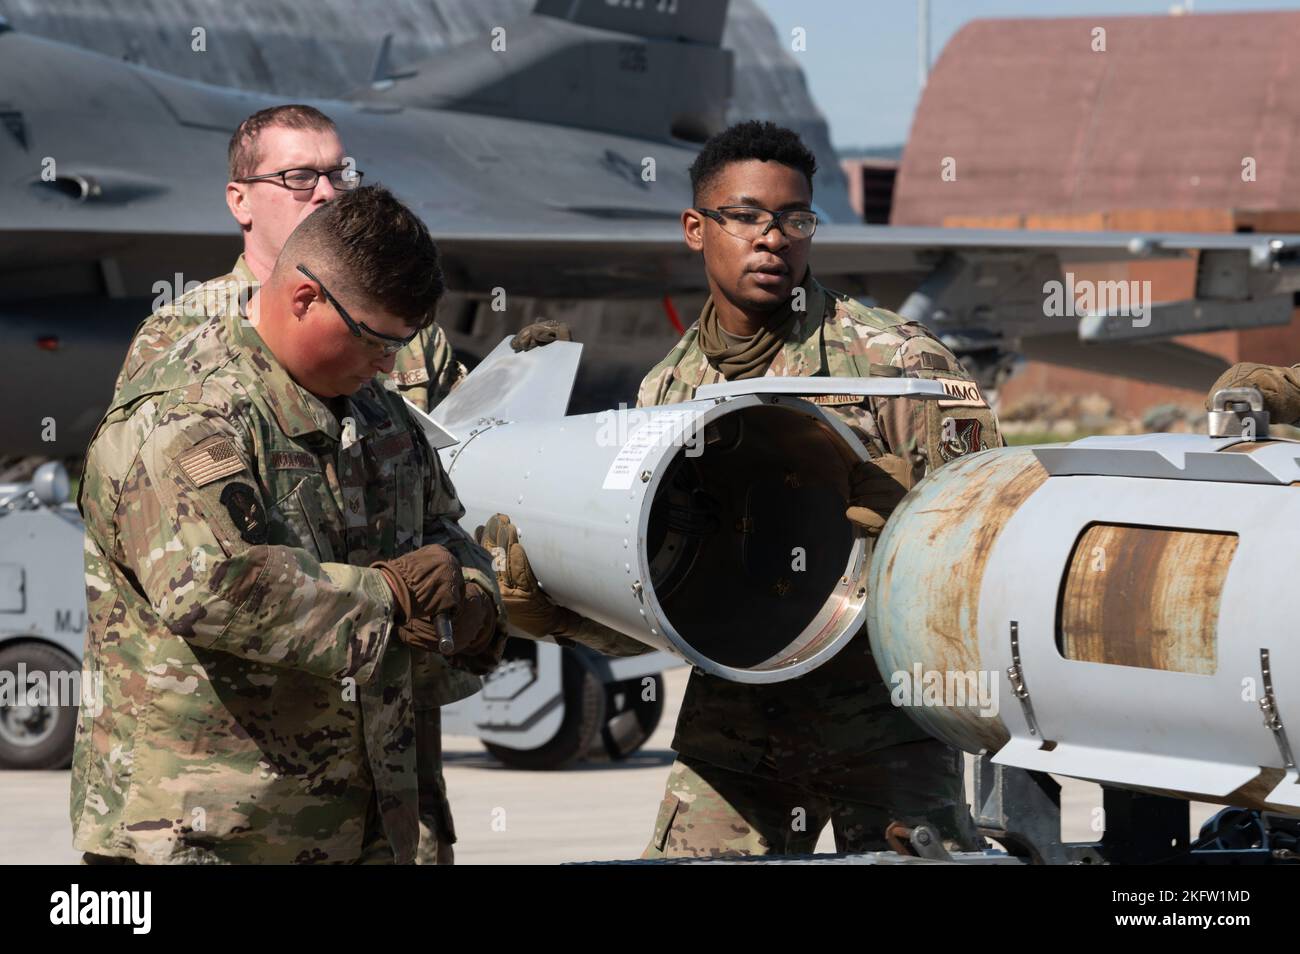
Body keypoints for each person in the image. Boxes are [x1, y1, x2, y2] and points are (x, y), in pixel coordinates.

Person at [491, 121, 1003, 857]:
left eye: (795, 219)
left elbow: (997, 546)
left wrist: (913, 528)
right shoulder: (666, 392)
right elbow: (657, 598)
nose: (774, 239)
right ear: (697, 229)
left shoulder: (898, 364)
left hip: (888, 731)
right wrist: (553, 617)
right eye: (746, 217)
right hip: (736, 733)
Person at [73, 186, 502, 864]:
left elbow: (444, 531)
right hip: (212, 832)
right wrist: (390, 600)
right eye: (377, 340)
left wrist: (474, 598)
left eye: (402, 344)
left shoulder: (378, 415)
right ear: (305, 299)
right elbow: (213, 588)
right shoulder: (189, 415)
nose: (390, 365)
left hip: (365, 826)